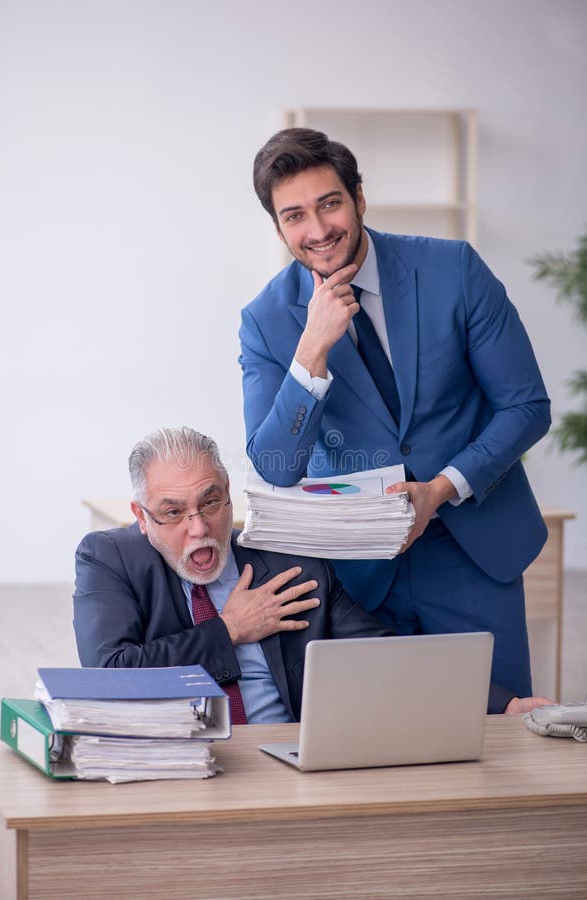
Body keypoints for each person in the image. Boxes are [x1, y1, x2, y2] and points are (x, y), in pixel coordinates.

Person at [239, 127, 552, 700]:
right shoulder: (266, 320)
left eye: (329, 203)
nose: (317, 230)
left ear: (359, 197)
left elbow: (526, 406)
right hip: (359, 574)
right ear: (278, 226)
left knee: (498, 747)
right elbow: (276, 467)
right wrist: (311, 352)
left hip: (471, 547)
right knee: (376, 744)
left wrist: (440, 488)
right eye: (294, 216)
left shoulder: (453, 270)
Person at [73, 426, 548, 721]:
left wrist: (499, 703)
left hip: (285, 759)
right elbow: (109, 675)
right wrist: (229, 630)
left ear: (229, 493)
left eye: (212, 502)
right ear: (141, 514)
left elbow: (379, 652)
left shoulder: (284, 561)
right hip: (176, 764)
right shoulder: (110, 559)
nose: (199, 528)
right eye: (173, 513)